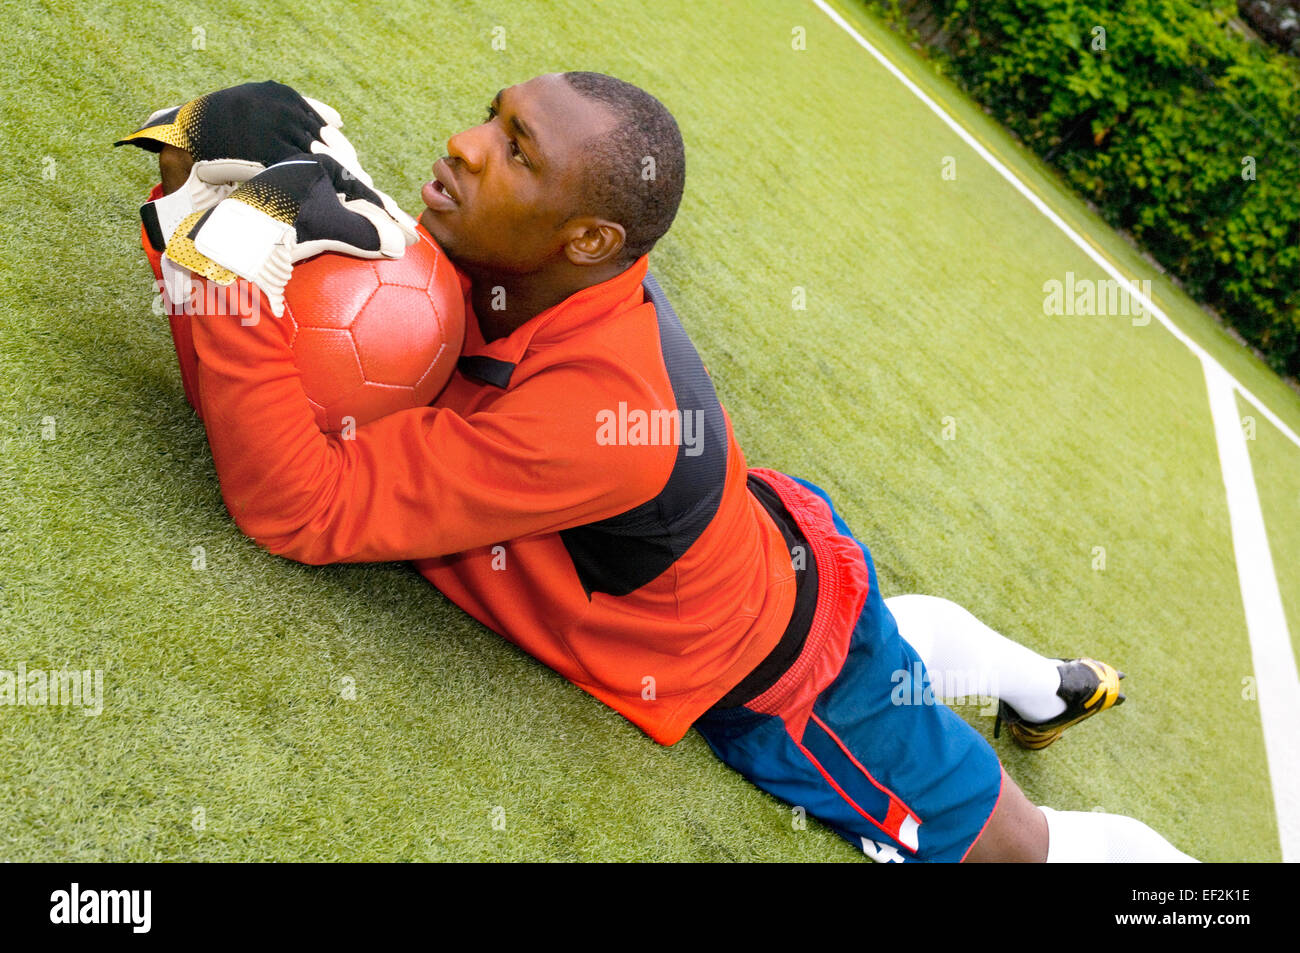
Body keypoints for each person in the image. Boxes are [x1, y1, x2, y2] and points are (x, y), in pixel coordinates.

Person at [119, 73, 1197, 862]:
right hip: (758, 547)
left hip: (773, 675)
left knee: (1018, 846)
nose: (460, 142)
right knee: (880, 624)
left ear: (588, 238)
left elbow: (296, 506)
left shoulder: (594, 412)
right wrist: (206, 169)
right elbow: (331, 344)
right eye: (492, 116)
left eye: (517, 149)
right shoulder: (512, 251)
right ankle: (1043, 687)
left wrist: (219, 270)